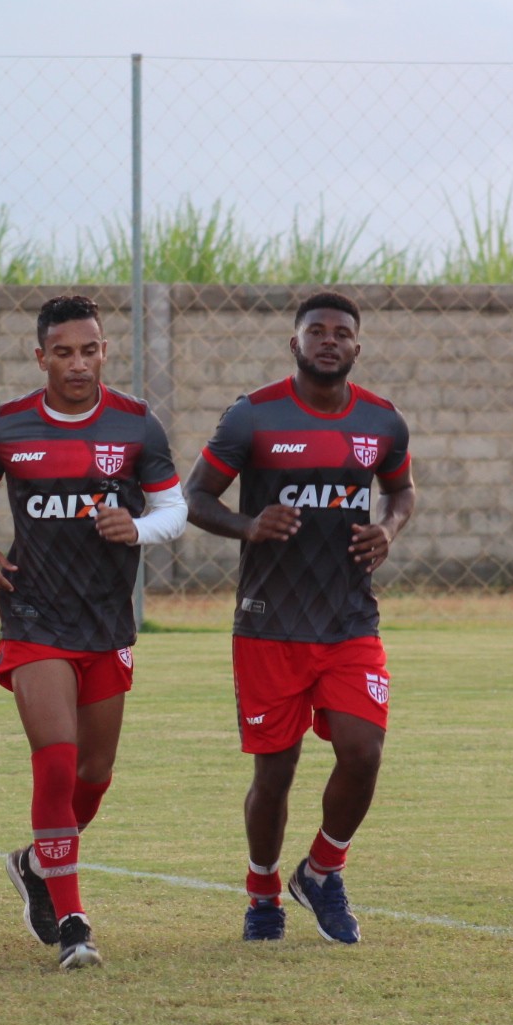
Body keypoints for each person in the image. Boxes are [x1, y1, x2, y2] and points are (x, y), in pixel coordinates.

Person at [0, 294, 185, 970]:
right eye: (63, 352)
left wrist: (138, 528)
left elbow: (174, 506)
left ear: (105, 351)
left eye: (90, 350)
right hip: (34, 619)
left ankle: (35, 864)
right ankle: (75, 919)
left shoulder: (138, 427)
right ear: (41, 357)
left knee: (94, 772)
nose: (77, 363)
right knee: (55, 760)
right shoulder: (7, 428)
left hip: (106, 624)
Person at [182, 291, 414, 945]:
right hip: (269, 625)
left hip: (348, 621)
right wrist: (248, 524)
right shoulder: (252, 417)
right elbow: (195, 495)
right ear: (295, 343)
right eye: (317, 330)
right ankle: (262, 894)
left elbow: (402, 490)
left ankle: (323, 869)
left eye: (342, 332)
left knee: (363, 751)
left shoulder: (383, 422)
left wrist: (389, 530)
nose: (329, 340)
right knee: (274, 773)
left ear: (356, 348)